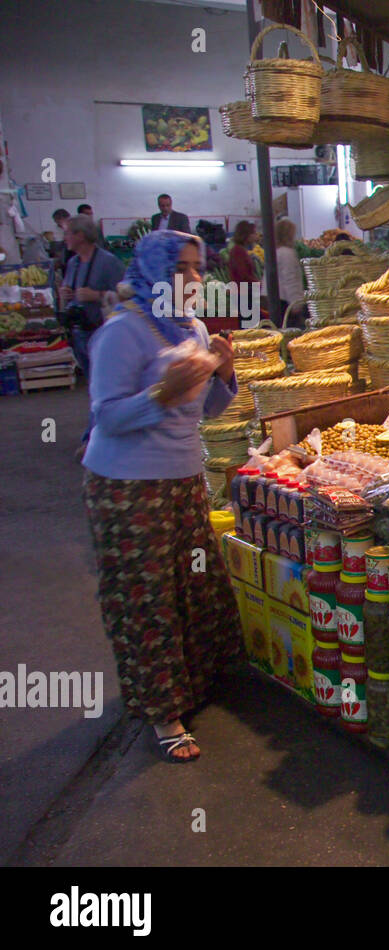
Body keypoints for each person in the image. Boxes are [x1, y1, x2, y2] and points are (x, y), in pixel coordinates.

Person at [81, 230, 243, 763]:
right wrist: (162, 391)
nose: (197, 280)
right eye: (184, 270)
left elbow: (208, 413)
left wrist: (225, 371)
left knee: (192, 584)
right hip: (127, 488)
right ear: (155, 273)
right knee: (146, 596)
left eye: (199, 268)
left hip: (182, 480)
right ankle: (162, 710)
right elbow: (107, 415)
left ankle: (194, 682)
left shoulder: (191, 328)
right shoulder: (122, 333)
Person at [60, 215, 125, 383]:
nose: (64, 238)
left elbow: (128, 297)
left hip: (101, 333)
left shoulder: (108, 262)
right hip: (78, 333)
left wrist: (98, 295)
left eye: (67, 233)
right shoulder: (73, 263)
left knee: (108, 382)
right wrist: (66, 294)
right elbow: (69, 290)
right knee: (92, 385)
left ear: (80, 235)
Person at [273, 218, 304, 321]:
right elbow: (290, 279)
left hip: (276, 299)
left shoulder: (276, 252)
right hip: (285, 302)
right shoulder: (287, 253)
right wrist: (295, 303)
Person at [227, 220, 261, 286]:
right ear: (246, 235)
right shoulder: (238, 251)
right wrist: (258, 283)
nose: (255, 235)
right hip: (243, 291)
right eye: (253, 233)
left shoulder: (241, 249)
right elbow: (243, 275)